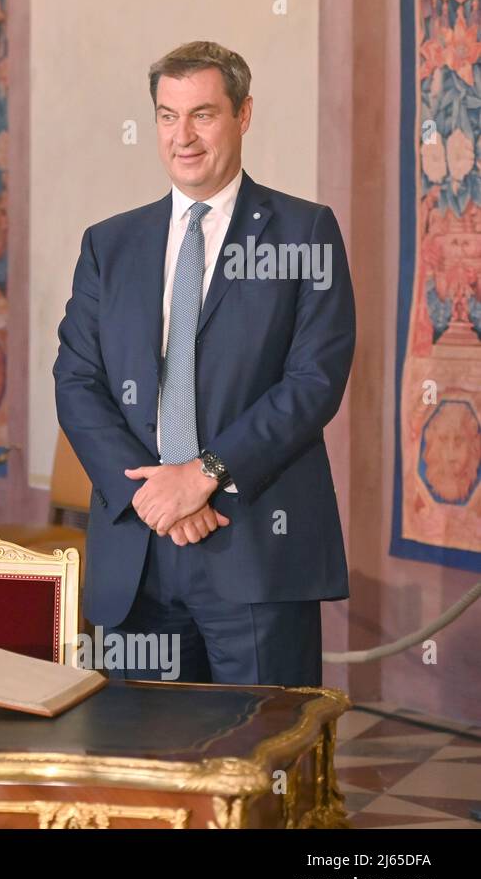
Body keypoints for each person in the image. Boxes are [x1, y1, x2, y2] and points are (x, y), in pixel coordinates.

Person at [53, 42, 356, 685]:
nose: (182, 137)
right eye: (167, 116)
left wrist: (205, 473)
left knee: (261, 760)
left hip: (254, 550)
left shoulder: (303, 234)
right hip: (138, 551)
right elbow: (77, 381)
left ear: (243, 115)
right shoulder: (110, 244)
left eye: (203, 115)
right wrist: (155, 494)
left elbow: (314, 382)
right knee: (144, 767)